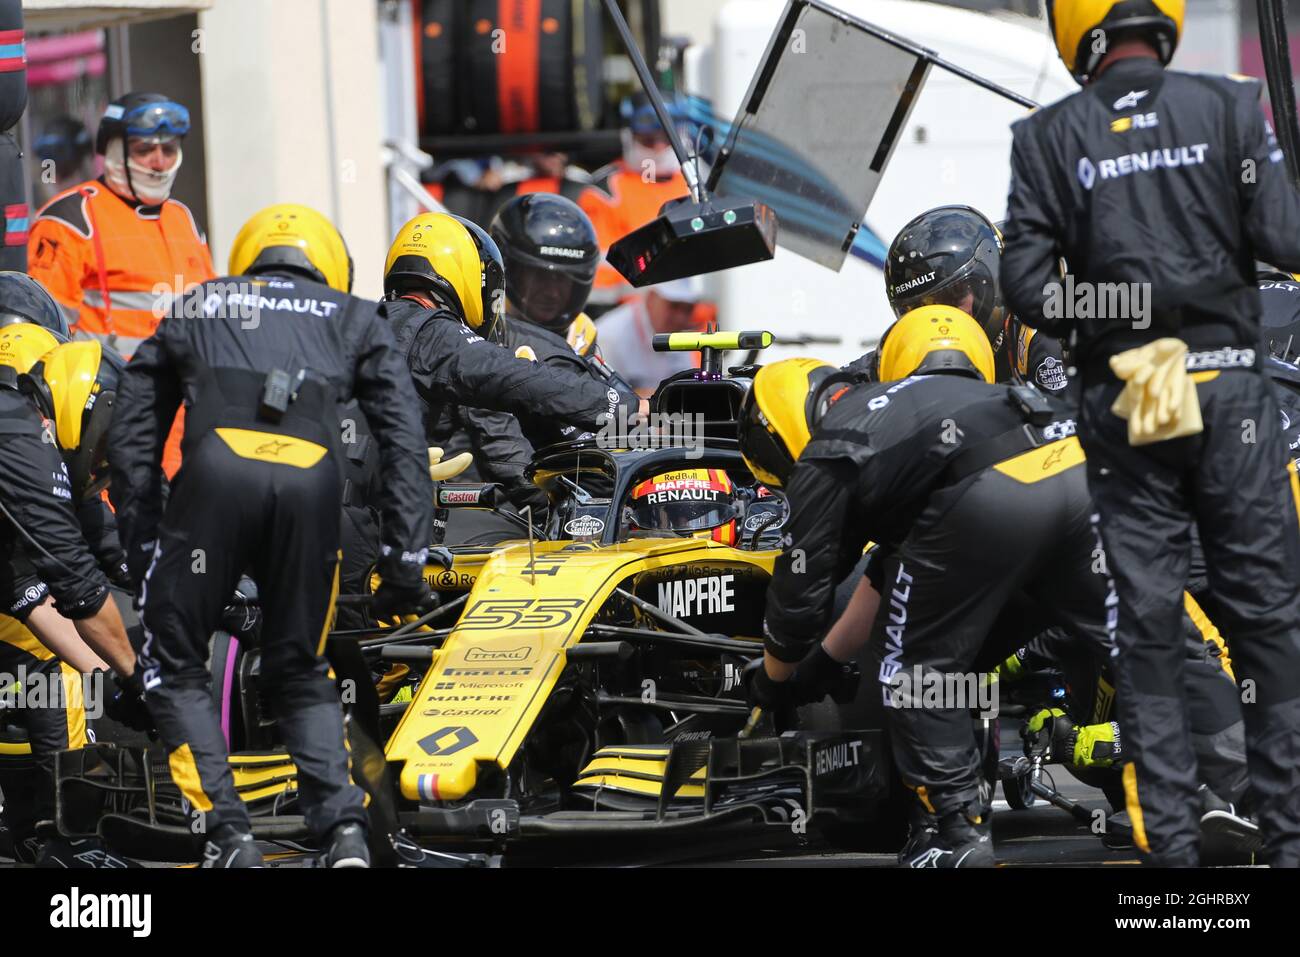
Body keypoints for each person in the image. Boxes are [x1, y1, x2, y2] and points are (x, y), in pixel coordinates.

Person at [1000, 0, 1300, 866]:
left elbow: (1025, 285)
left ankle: (1169, 867)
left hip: (1144, 392)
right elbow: (1284, 235)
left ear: (1072, 30)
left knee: (1150, 626)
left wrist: (1121, 307)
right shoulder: (1232, 106)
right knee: (1268, 625)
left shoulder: (1049, 134)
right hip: (1236, 396)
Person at [107, 203, 436, 869]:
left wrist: (144, 541)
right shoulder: (353, 315)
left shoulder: (198, 303)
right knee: (303, 670)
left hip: (216, 476)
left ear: (249, 258)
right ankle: (343, 833)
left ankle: (229, 837)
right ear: (325, 265)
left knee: (174, 664)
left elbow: (132, 430)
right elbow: (406, 442)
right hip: (312, 483)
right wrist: (406, 561)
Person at [738, 306, 1113, 867]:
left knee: (916, 673)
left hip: (1000, 524)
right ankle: (1221, 786)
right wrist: (827, 660)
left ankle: (955, 833)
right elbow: (889, 571)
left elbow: (801, 597)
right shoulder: (985, 404)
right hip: (1087, 495)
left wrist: (776, 678)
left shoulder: (843, 441)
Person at [0, 339, 143, 867]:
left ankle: (51, 838)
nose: (102, 460)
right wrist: (134, 679)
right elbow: (77, 584)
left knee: (51, 671)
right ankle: (72, 843)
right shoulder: (21, 439)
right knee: (52, 684)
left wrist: (112, 677)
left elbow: (25, 594)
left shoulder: (18, 436)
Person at [27, 92, 215, 479]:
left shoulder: (183, 220)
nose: (159, 161)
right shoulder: (70, 220)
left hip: (187, 426)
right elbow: (39, 344)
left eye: (169, 148)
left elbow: (210, 320)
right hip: (110, 426)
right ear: (112, 148)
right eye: (145, 149)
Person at [851, 205, 1069, 395]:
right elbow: (849, 377)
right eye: (919, 310)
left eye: (953, 297)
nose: (942, 320)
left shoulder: (1045, 323)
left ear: (990, 279)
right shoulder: (915, 345)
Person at [581, 93, 694, 309]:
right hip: (631, 316)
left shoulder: (695, 182)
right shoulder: (604, 192)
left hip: (698, 318)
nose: (659, 148)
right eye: (649, 140)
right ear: (629, 136)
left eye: (666, 138)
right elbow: (597, 277)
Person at [595, 278, 706, 395]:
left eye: (688, 309)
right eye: (674, 306)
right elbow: (599, 399)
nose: (681, 317)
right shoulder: (611, 336)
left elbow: (688, 389)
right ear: (651, 299)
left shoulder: (677, 334)